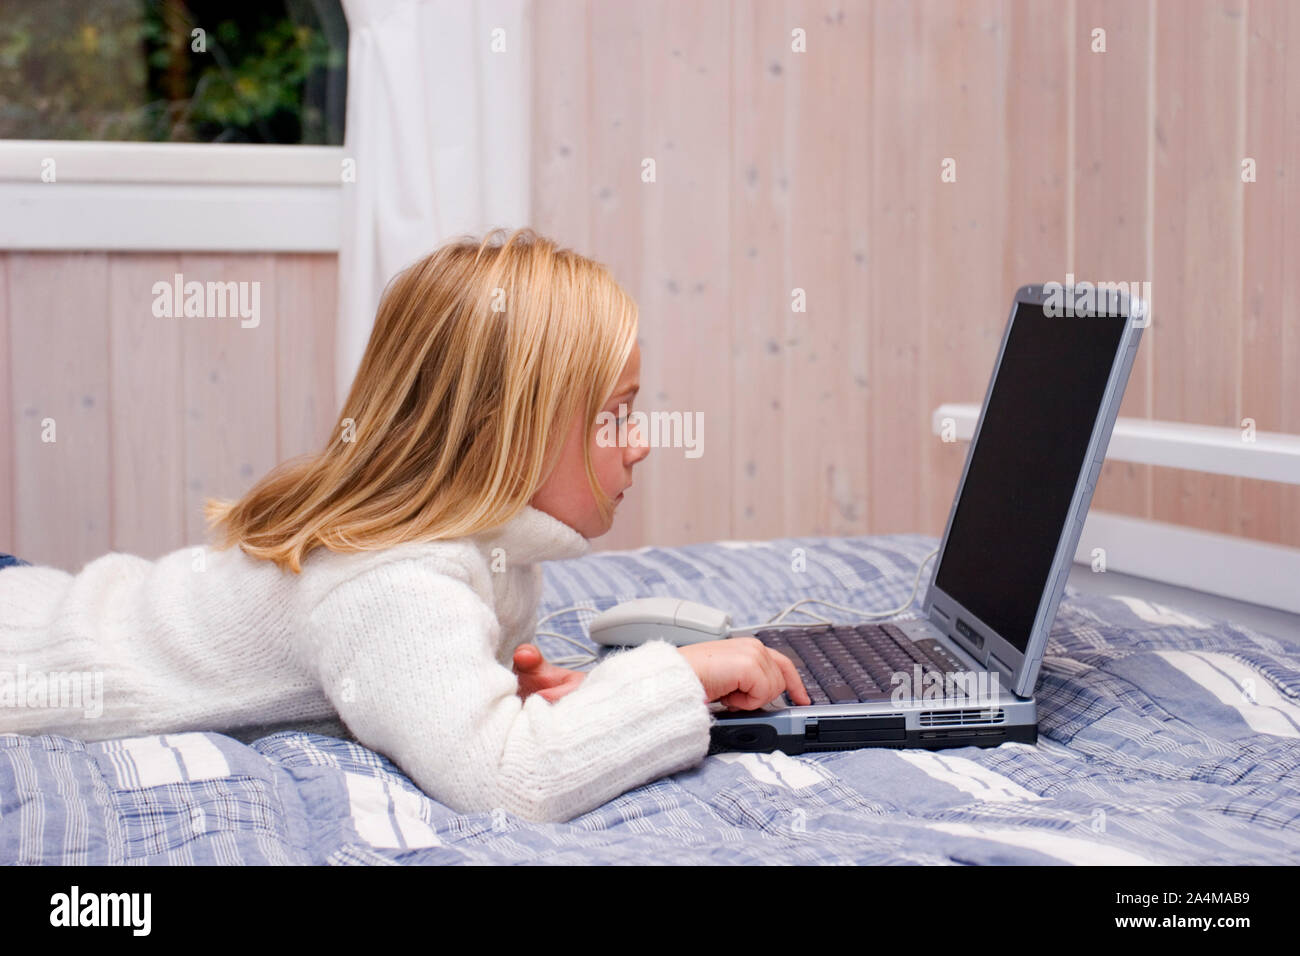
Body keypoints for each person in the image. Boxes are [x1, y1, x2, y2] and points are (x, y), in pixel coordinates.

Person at [0, 227, 807, 824]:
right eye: (614, 414)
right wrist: (679, 674)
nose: (639, 443)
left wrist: (588, 700)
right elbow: (510, 782)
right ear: (505, 432)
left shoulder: (480, 548)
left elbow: (449, 703)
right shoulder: (388, 581)